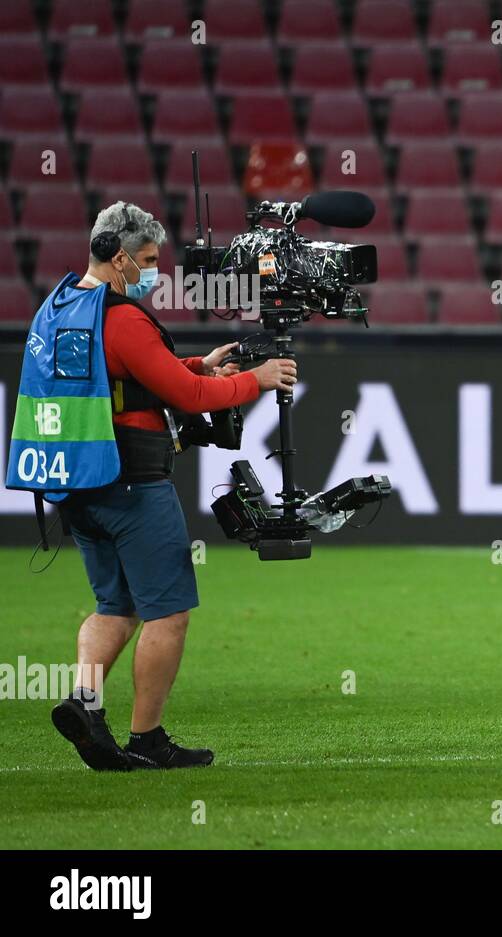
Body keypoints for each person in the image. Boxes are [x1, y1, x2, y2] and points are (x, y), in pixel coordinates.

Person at [32, 201, 295, 771]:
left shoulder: (62, 305)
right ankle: (147, 737)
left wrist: (195, 364)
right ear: (120, 257)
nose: (155, 272)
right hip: (133, 485)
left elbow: (128, 380)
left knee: (114, 605)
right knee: (169, 611)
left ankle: (84, 703)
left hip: (80, 483)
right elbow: (189, 399)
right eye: (148, 260)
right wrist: (257, 378)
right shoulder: (124, 317)